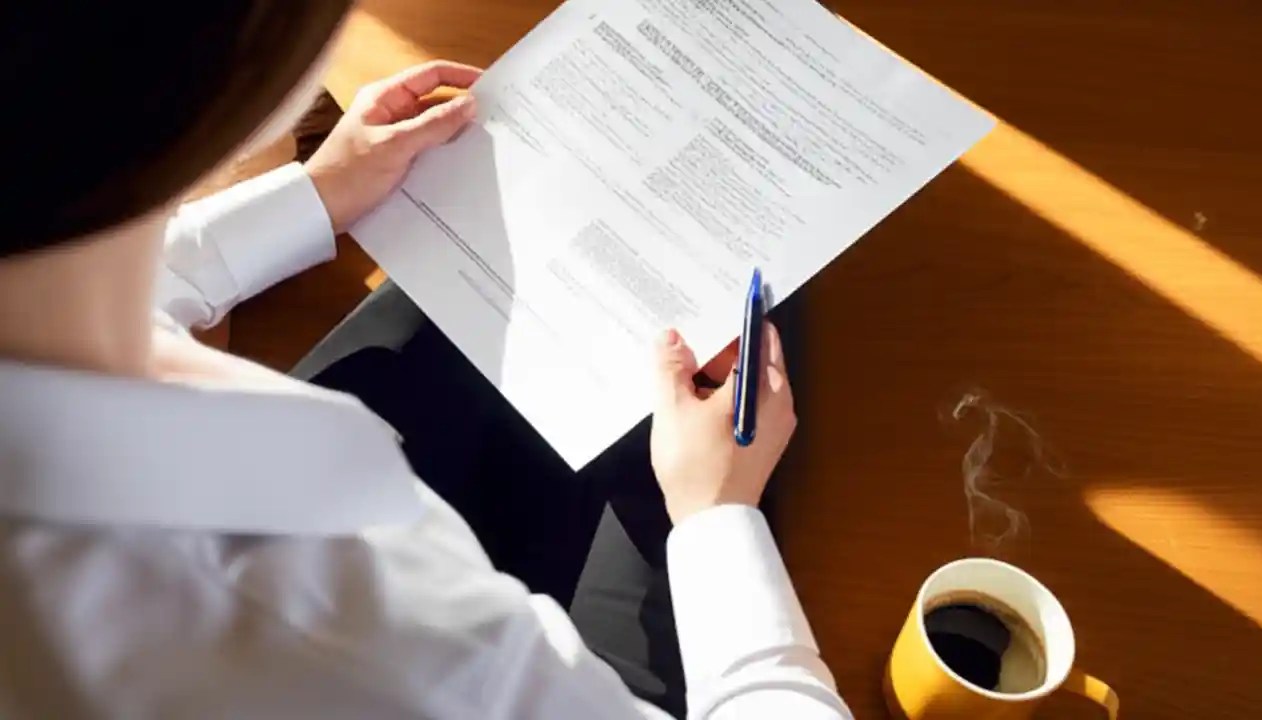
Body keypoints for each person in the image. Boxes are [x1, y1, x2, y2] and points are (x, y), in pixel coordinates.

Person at [0, 4, 852, 718]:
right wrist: (715, 518)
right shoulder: (352, 640)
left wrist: (315, 197)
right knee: (736, 295)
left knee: (503, 273)